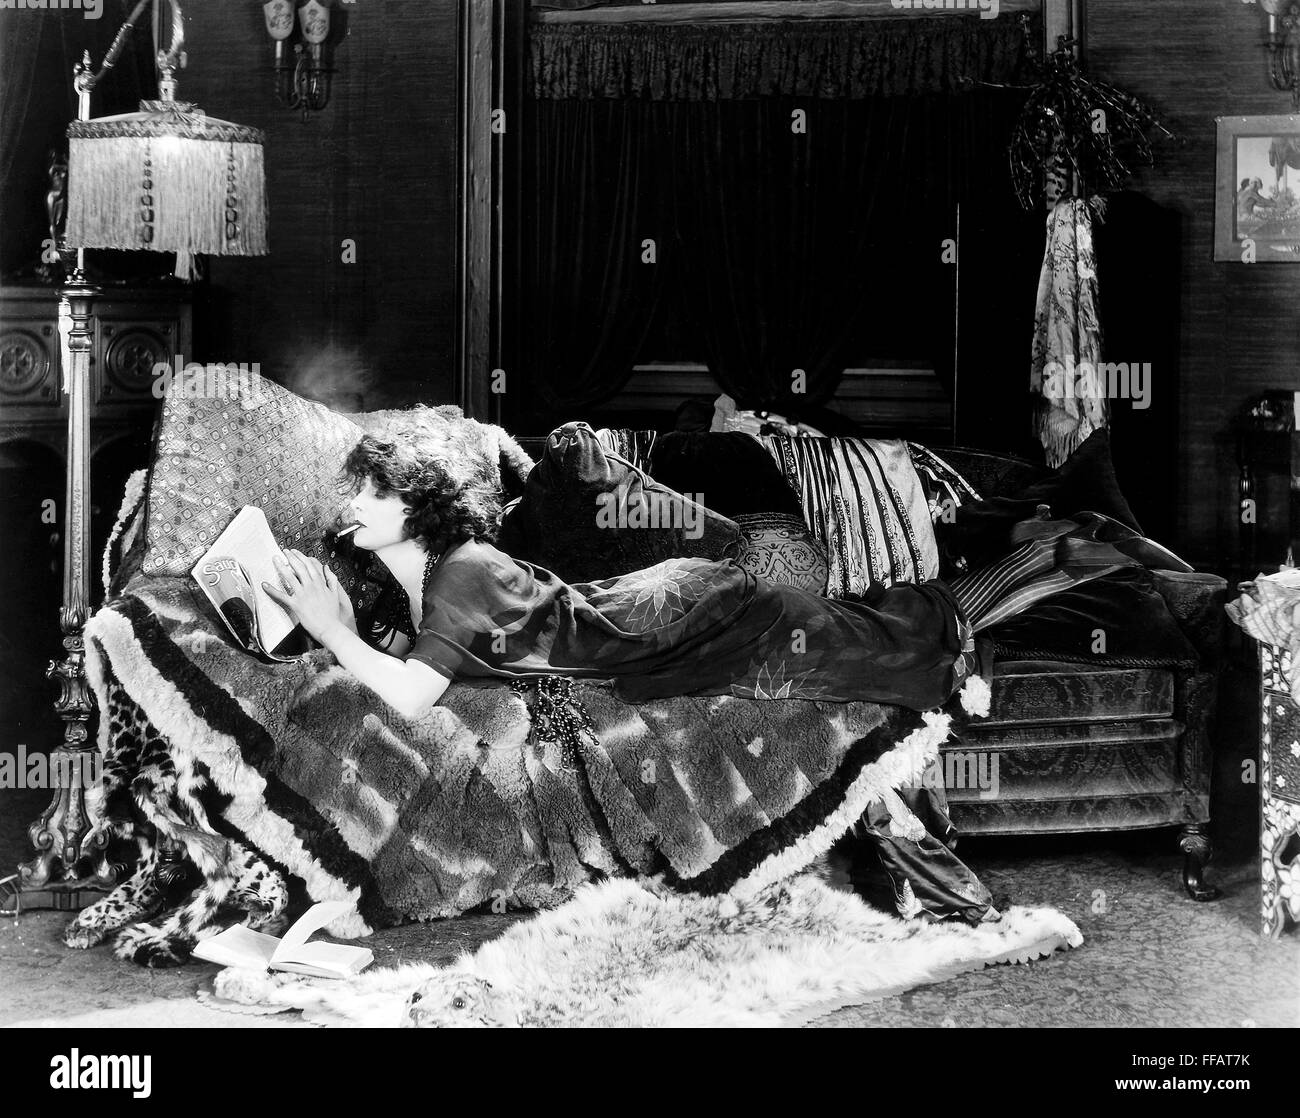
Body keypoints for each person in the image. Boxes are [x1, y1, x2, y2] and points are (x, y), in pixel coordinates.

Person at [261, 426, 980, 723]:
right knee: (857, 636)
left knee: (870, 653)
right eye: (359, 493)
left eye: (378, 492)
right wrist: (350, 633)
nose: (358, 503)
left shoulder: (461, 572)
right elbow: (426, 665)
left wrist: (331, 628)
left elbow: (414, 697)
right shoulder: (430, 587)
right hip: (657, 619)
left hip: (685, 612)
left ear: (421, 508)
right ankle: (951, 614)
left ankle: (967, 611)